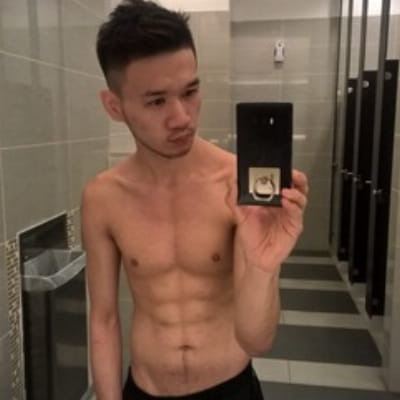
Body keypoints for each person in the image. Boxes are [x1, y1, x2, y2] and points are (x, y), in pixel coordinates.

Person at [81, 0, 308, 399]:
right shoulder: (103, 198)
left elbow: (257, 340)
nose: (182, 117)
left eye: (190, 92)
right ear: (114, 106)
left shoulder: (234, 185)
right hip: (145, 389)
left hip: (230, 388)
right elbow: (103, 321)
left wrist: (263, 268)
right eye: (156, 101)